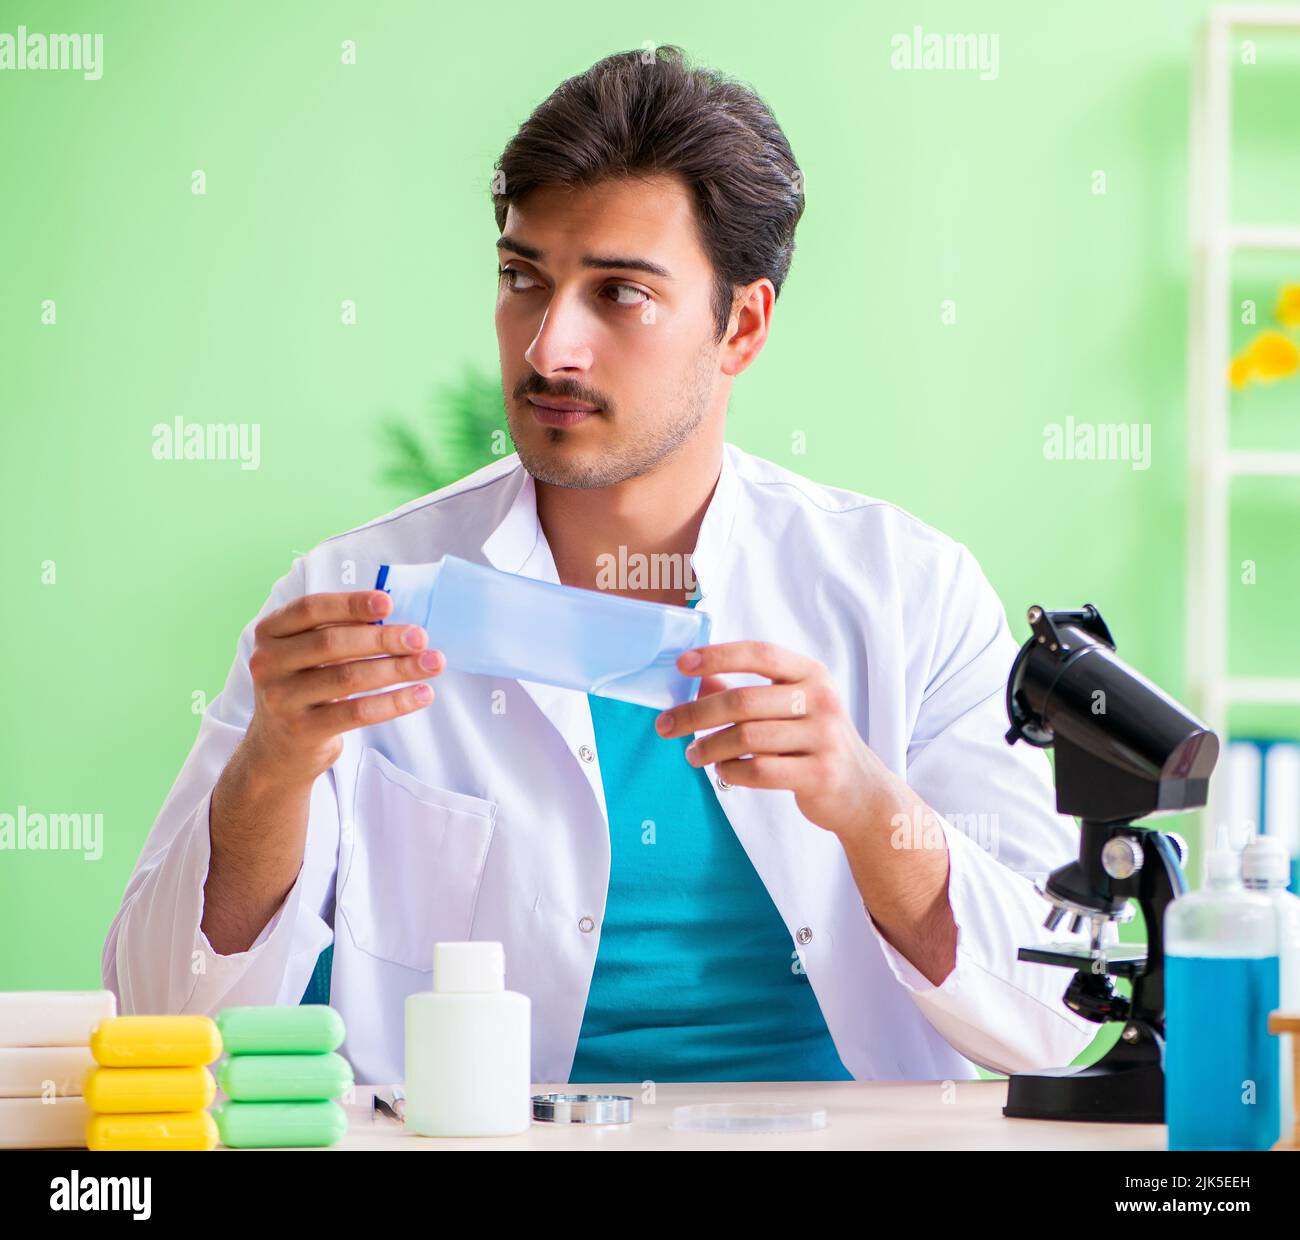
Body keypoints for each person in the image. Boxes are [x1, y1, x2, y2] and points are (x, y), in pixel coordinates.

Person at [104, 46, 1098, 1085]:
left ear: (741, 327)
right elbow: (164, 1011)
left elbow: (1059, 1012)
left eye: (619, 293)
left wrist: (860, 798)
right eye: (521, 277)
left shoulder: (909, 594)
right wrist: (272, 767)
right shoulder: (348, 595)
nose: (547, 348)